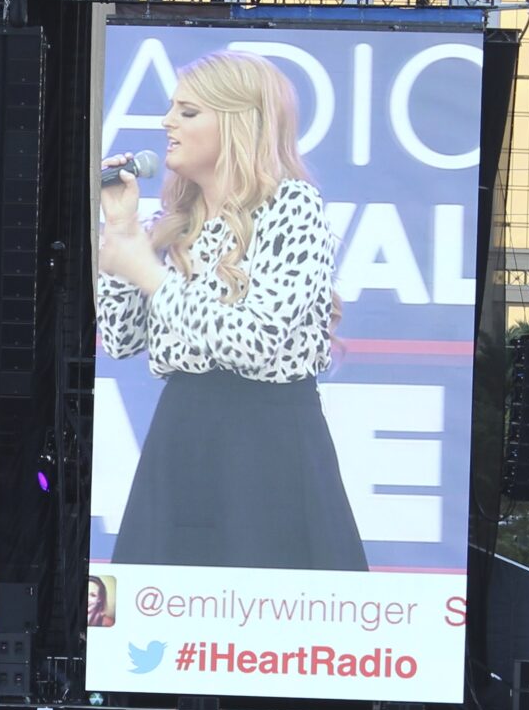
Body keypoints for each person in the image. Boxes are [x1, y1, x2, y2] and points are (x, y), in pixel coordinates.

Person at [92, 50, 363, 571]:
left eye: (188, 112)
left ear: (239, 122)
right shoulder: (171, 220)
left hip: (267, 445)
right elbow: (121, 337)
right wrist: (123, 232)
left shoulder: (292, 206)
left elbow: (256, 341)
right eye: (172, 108)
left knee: (267, 623)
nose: (167, 122)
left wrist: (147, 274)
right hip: (182, 436)